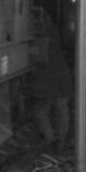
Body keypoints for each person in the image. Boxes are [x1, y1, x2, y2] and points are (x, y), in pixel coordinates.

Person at [25, 10, 72, 149]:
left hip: (46, 80)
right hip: (61, 77)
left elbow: (42, 58)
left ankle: (51, 140)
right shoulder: (53, 34)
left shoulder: (41, 38)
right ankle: (60, 140)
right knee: (61, 107)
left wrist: (27, 54)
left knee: (40, 110)